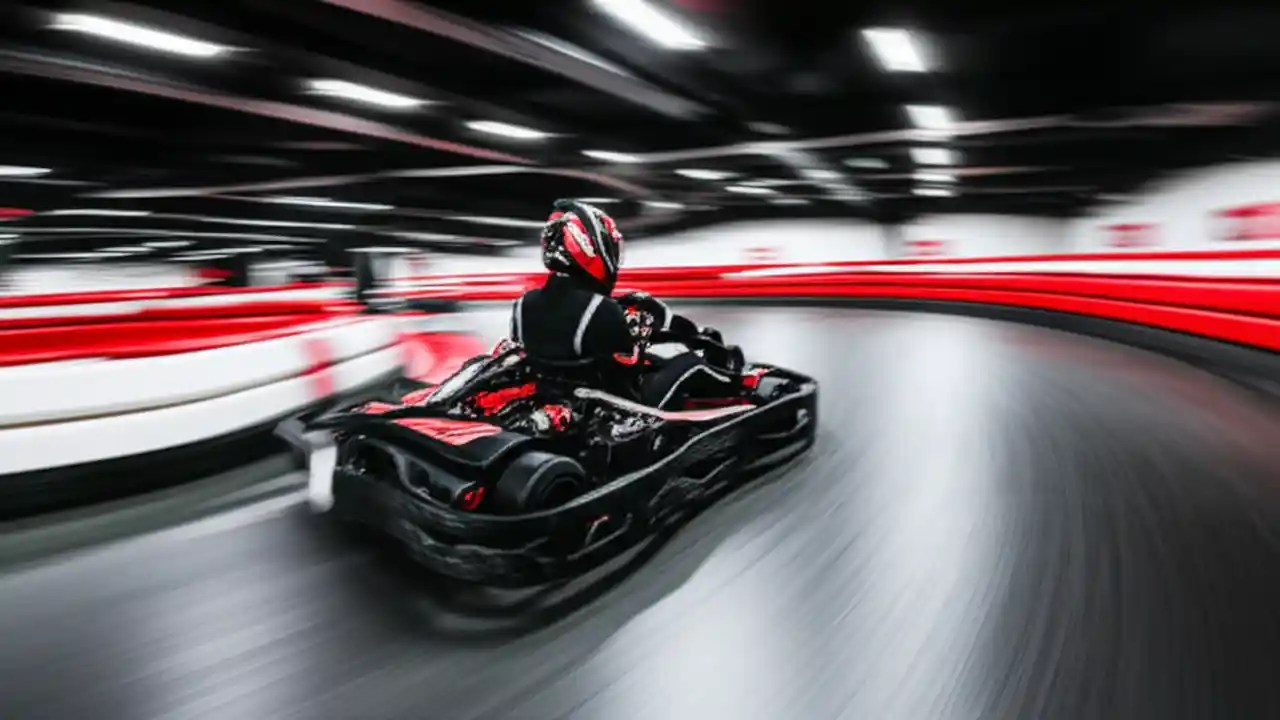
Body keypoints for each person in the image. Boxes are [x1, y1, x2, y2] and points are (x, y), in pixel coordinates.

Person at [509, 198, 742, 408]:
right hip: (613, 414)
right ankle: (740, 387)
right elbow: (624, 378)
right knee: (687, 362)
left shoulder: (523, 305)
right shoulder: (600, 310)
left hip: (550, 401)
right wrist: (644, 346)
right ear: (589, 246)